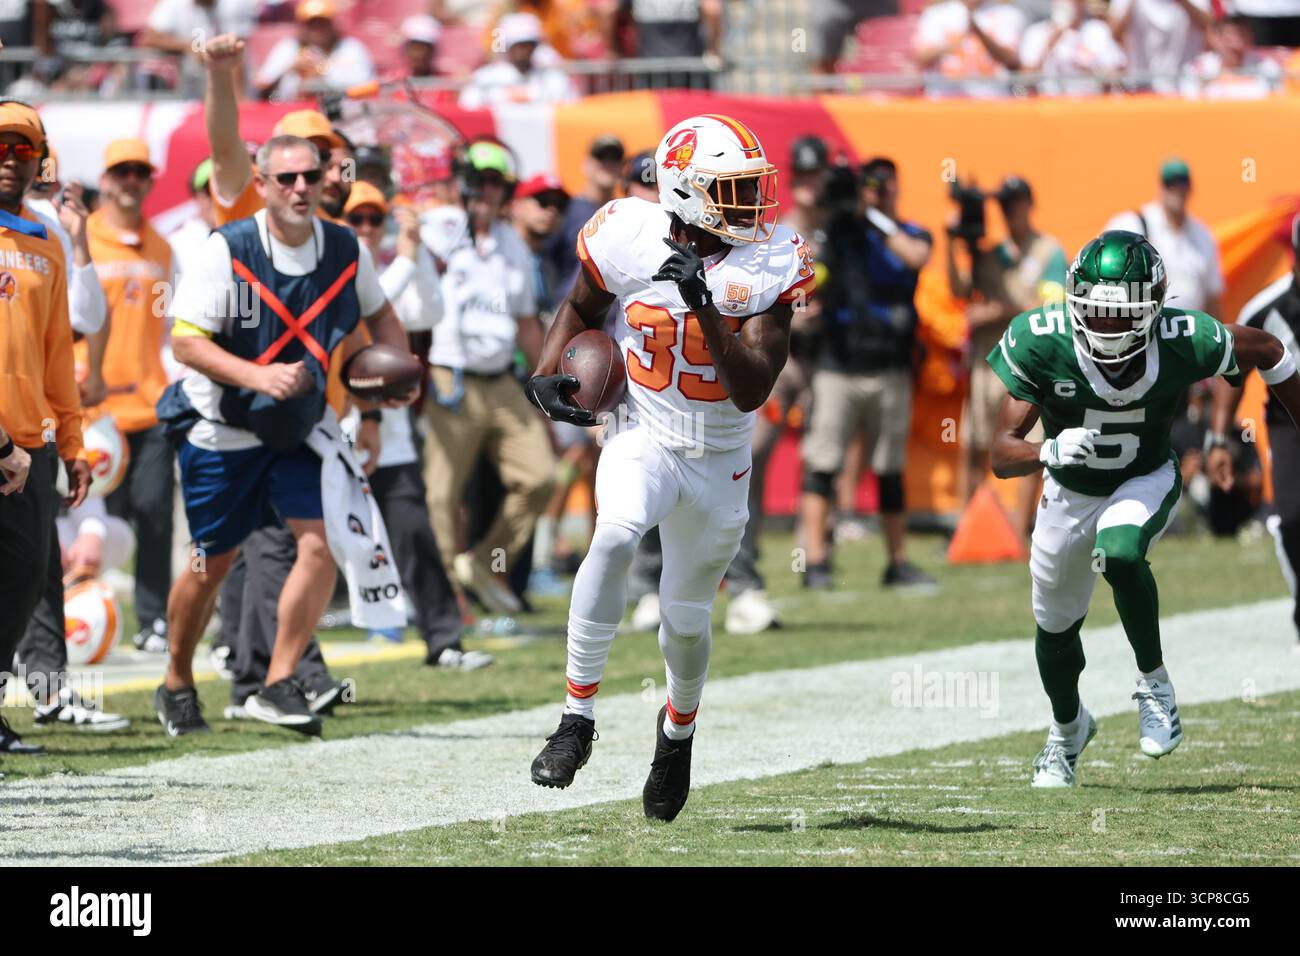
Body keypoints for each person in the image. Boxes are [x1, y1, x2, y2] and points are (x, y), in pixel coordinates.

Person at [525, 114, 813, 821]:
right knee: (616, 533)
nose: (752, 204)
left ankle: (677, 732)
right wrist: (543, 371)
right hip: (642, 430)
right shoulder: (625, 230)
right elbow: (581, 303)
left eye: (752, 188)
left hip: (720, 455)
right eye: (733, 189)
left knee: (684, 620)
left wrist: (703, 305)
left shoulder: (772, 259)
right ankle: (576, 718)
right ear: (686, 192)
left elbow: (750, 386)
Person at [986, 230, 1300, 788]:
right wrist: (1046, 450)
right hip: (1067, 492)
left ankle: (1154, 684)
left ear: (1154, 309)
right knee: (1055, 628)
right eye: (1096, 311)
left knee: (1122, 550)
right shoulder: (1044, 341)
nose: (1107, 325)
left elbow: (1268, 350)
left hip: (1145, 477)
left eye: (1122, 313)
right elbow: (999, 454)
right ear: (1074, 302)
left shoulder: (1183, 338)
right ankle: (1066, 732)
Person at [155, 134, 414, 737]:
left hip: (300, 423)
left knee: (320, 546)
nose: (300, 188)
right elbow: (185, 341)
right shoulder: (229, 247)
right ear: (262, 182)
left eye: (310, 176)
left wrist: (395, 374)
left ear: (327, 178)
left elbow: (381, 315)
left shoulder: (346, 247)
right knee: (210, 564)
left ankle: (277, 681)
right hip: (224, 426)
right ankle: (175, 680)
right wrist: (259, 375)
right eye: (286, 178)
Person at [345, 181, 488, 669]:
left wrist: (418, 254)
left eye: (374, 220)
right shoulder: (337, 271)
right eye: (356, 220)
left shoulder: (392, 271)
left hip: (393, 436)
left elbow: (431, 310)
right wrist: (406, 260)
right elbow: (361, 310)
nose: (366, 230)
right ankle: (260, 656)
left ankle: (444, 641)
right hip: (331, 433)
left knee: (415, 536)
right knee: (298, 544)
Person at [419, 139, 555, 616]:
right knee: (440, 493)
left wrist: (547, 378)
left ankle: (484, 563)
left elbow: (524, 321)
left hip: (500, 377)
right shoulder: (438, 227)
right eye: (480, 180)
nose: (488, 191)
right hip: (448, 373)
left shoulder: (513, 242)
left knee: (540, 476)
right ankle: (442, 600)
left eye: (497, 183)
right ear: (463, 182)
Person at [0, 100, 91, 757]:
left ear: (40, 160)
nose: (10, 157)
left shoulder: (43, 239)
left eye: (22, 148)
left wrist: (72, 442)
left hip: (29, 447)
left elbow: (59, 352)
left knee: (28, 576)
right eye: (1, 145)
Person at [800, 157, 935, 591]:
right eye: (869, 188)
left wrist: (873, 215)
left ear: (896, 188)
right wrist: (840, 212)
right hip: (839, 366)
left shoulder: (906, 233)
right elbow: (813, 267)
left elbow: (917, 257)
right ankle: (816, 562)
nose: (876, 193)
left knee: (889, 469)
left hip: (890, 367)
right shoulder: (841, 234)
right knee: (823, 463)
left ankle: (897, 562)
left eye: (882, 186)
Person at [77, 139, 177, 654]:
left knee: (155, 512)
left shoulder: (162, 247)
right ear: (107, 177)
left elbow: (167, 330)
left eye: (140, 171)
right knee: (95, 521)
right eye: (122, 171)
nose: (131, 180)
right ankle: (91, 615)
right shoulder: (82, 237)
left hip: (150, 403)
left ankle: (154, 619)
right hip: (93, 409)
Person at [949, 175, 1067, 524]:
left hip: (1028, 364)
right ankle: (967, 527)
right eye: (1004, 203)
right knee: (974, 445)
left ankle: (1020, 528)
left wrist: (1000, 310)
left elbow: (1050, 308)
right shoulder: (991, 255)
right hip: (987, 364)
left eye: (1016, 201)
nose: (1010, 209)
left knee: (1028, 446)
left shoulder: (1049, 251)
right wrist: (951, 242)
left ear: (1030, 204)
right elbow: (959, 292)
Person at [1212, 215, 1300, 643]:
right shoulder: (1267, 308)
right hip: (1290, 426)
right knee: (1294, 517)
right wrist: (1218, 439)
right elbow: (1233, 370)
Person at [1104, 159, 1223, 319]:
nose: (1177, 191)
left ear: (1190, 188)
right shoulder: (1131, 225)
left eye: (1182, 184)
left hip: (1187, 333)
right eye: (1170, 184)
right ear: (1160, 188)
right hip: (1142, 327)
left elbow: (1212, 296)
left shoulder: (1203, 235)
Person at [253, 0, 375, 101]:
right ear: (302, 26)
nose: (318, 29)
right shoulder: (288, 48)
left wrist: (322, 70)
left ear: (332, 24)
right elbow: (263, 88)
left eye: (322, 23)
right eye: (312, 24)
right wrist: (291, 69)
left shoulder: (351, 48)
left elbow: (367, 87)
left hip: (342, 113)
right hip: (293, 113)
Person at [550, 135, 623, 293]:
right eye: (601, 157)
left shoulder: (625, 213)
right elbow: (545, 258)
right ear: (586, 165)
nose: (607, 164)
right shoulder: (564, 209)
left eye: (614, 158)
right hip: (570, 308)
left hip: (613, 312)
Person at [457, 13, 575, 109]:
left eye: (528, 43)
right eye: (518, 44)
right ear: (507, 45)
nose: (523, 49)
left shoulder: (554, 79)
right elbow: (468, 109)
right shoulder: (485, 78)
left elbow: (570, 110)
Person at [913, 0, 1027, 97]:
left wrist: (979, 33)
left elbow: (1011, 61)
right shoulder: (936, 13)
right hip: (945, 102)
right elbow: (922, 56)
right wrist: (957, 44)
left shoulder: (1008, 14)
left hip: (993, 101)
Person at [1018, 0, 1127, 95]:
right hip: (1050, 109)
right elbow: (1025, 82)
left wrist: (1092, 71)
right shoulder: (1036, 33)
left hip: (1091, 107)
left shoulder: (1098, 30)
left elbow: (1117, 77)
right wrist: (1052, 41)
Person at [1109, 0, 1211, 93]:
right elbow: (1114, 32)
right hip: (1141, 86)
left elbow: (1208, 25)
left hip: (1183, 86)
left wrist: (1184, 3)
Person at [1180, 7, 1283, 99]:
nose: (1235, 44)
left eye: (1241, 35)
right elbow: (1189, 100)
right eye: (1228, 38)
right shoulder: (1197, 69)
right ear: (1215, 38)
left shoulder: (1268, 69)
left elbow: (1278, 100)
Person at [168, 158, 217, 280]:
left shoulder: (249, 242)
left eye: (228, 190)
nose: (219, 199)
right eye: (210, 190)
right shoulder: (176, 246)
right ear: (197, 196)